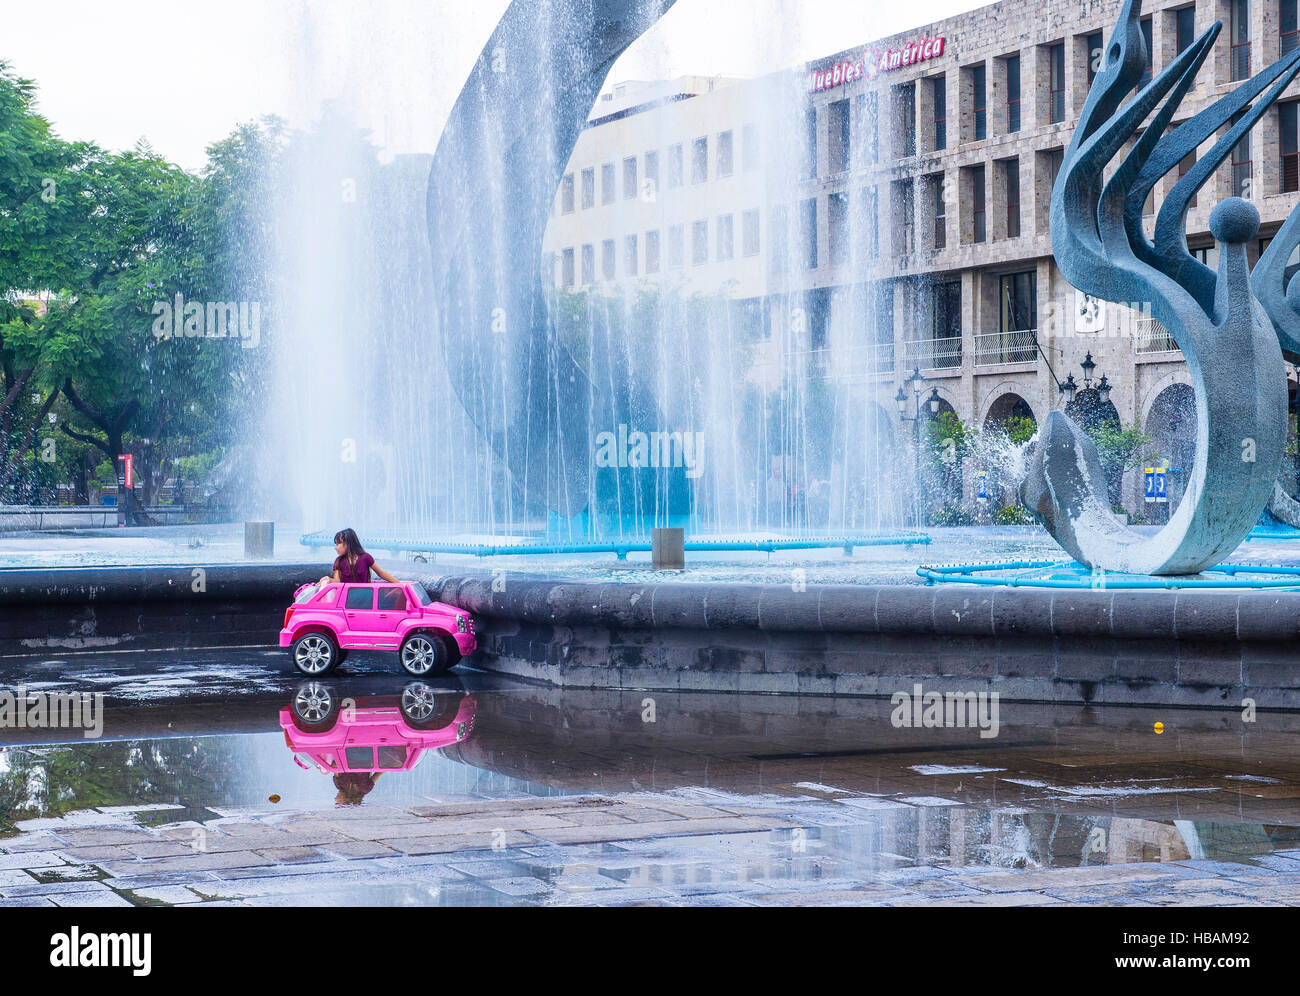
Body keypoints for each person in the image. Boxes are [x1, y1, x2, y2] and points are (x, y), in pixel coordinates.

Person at [317, 527, 404, 586]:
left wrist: (400, 584)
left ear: (348, 543)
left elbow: (381, 573)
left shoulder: (365, 558)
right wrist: (328, 579)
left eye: (338, 543)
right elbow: (337, 581)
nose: (335, 548)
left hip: (365, 596)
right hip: (347, 599)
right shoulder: (339, 561)